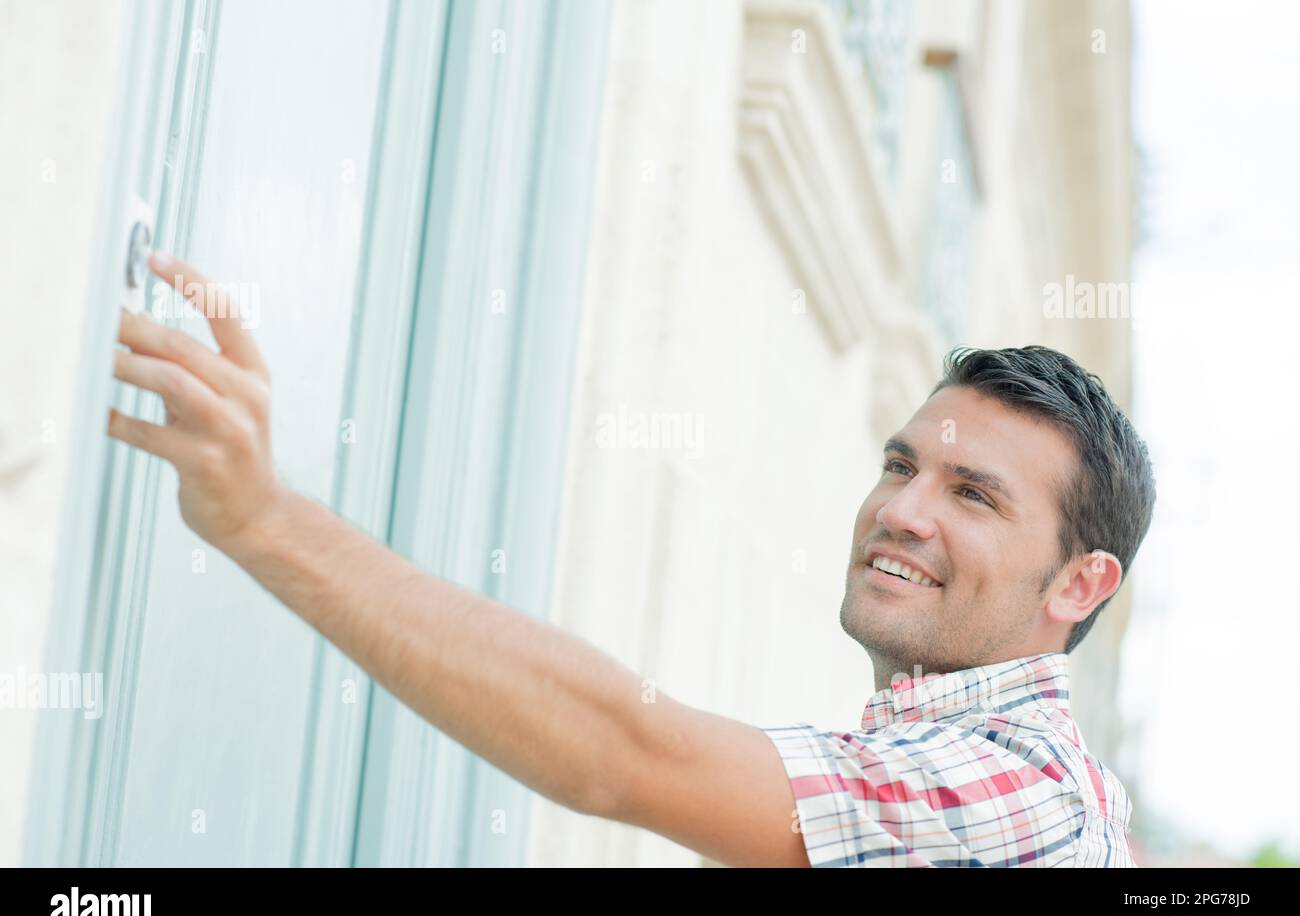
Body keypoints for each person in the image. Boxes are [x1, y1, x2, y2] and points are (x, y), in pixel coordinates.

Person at [107, 251, 1155, 867]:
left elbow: (623, 756)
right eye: (900, 465)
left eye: (972, 496)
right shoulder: (969, 758)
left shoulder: (1033, 793)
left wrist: (261, 520)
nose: (903, 511)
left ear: (1079, 582)